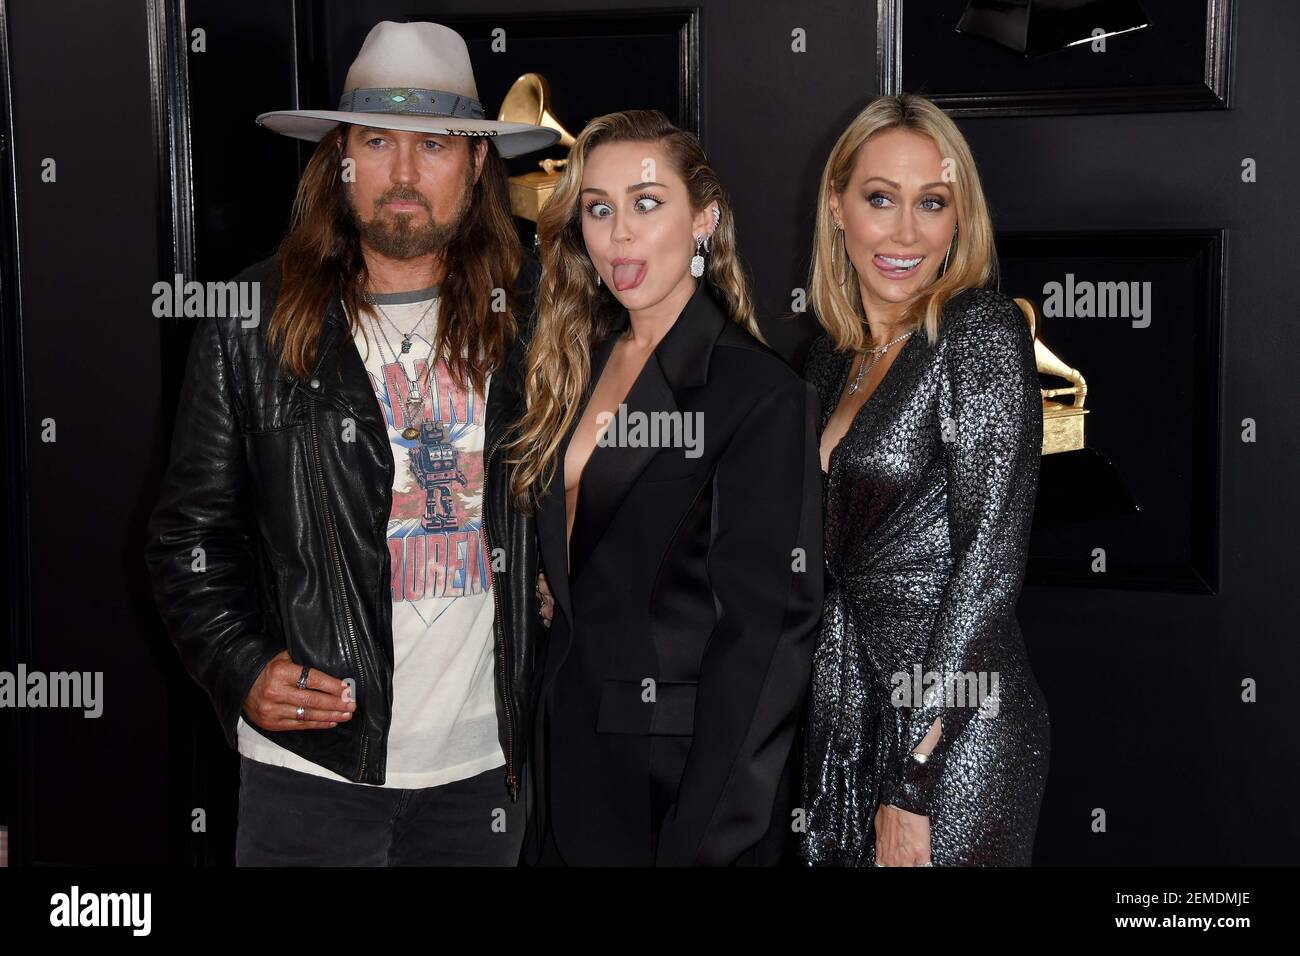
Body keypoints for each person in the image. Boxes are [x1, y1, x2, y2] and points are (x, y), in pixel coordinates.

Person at [143, 21, 558, 865]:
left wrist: (563, 573)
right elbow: (186, 536)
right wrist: (240, 665)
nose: (403, 175)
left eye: (434, 145)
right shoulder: (249, 319)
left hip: (486, 772)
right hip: (311, 774)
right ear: (341, 159)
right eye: (376, 142)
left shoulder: (540, 313)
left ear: (477, 164)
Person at [509, 109, 823, 865]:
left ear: (705, 220)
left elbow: (766, 648)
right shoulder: (573, 363)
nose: (618, 235)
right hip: (561, 776)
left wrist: (706, 843)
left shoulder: (759, 396)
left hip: (673, 793)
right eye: (599, 208)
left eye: (647, 204)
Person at [800, 93, 1050, 866]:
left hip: (952, 732)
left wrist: (911, 778)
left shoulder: (977, 331)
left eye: (931, 203)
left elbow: (987, 571)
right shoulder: (829, 359)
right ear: (838, 208)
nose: (905, 232)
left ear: (957, 219)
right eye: (881, 199)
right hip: (850, 709)